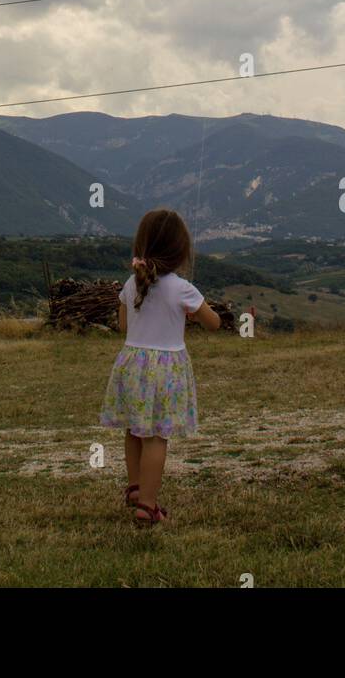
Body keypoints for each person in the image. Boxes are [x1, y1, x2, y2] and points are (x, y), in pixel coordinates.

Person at [99, 207, 220, 526]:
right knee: (156, 436)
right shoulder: (182, 288)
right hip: (165, 370)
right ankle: (148, 507)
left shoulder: (131, 282)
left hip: (131, 363)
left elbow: (124, 326)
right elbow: (215, 324)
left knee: (134, 430)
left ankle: (136, 489)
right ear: (180, 250)